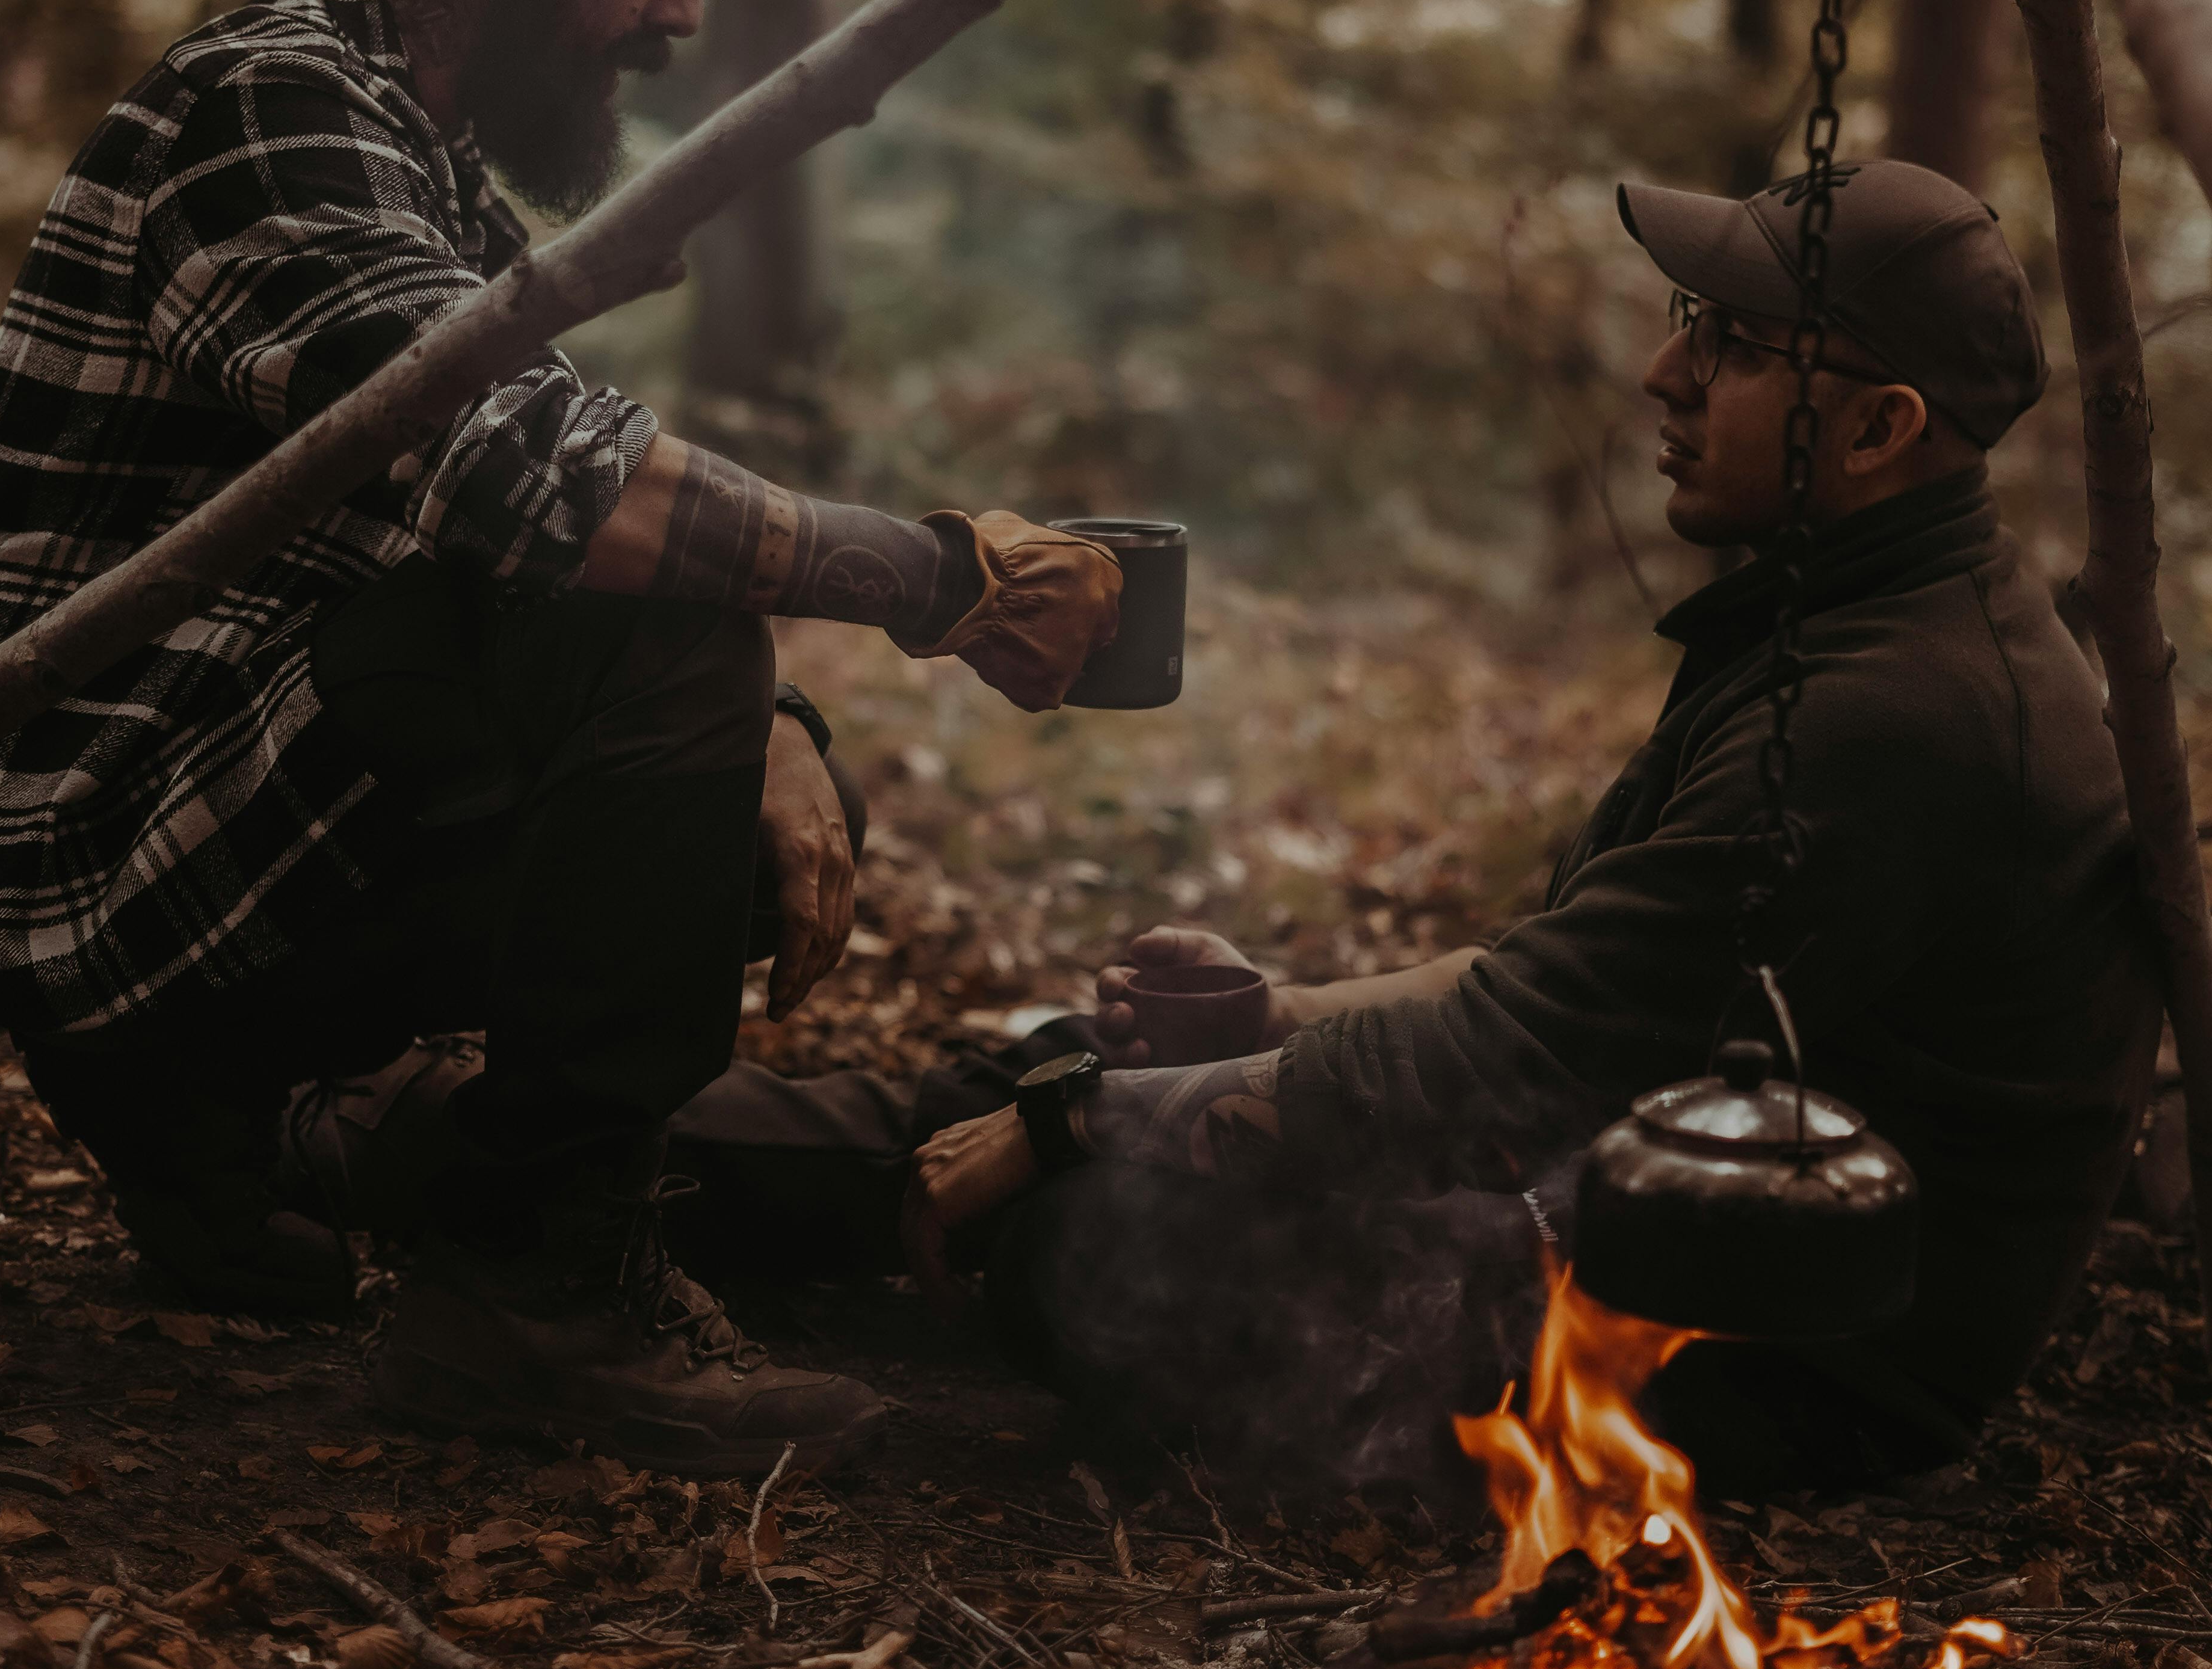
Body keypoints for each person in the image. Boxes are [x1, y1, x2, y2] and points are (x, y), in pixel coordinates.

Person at [0, 0, 1119, 1478]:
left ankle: (286, 1148)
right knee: (666, 626)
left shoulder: (413, 137)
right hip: (85, 859)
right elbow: (524, 478)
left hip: (198, 820)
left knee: (729, 709)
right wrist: (929, 577)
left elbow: (503, 484)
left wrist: (770, 708)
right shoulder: (270, 106)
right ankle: (532, 1296)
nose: (678, 13)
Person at [652, 159, 2163, 1501]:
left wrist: (1076, 1127)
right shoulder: (1851, 617)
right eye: (1684, 322)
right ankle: (548, 1152)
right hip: (1639, 1217)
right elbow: (1567, 980)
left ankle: (753, 1220)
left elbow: (1514, 1062)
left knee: (1092, 1228)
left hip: (1765, 1354)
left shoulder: (1898, 717)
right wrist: (1260, 1019)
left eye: (1732, 344)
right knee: (1071, 1066)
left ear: (1882, 424)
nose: (1663, 371)